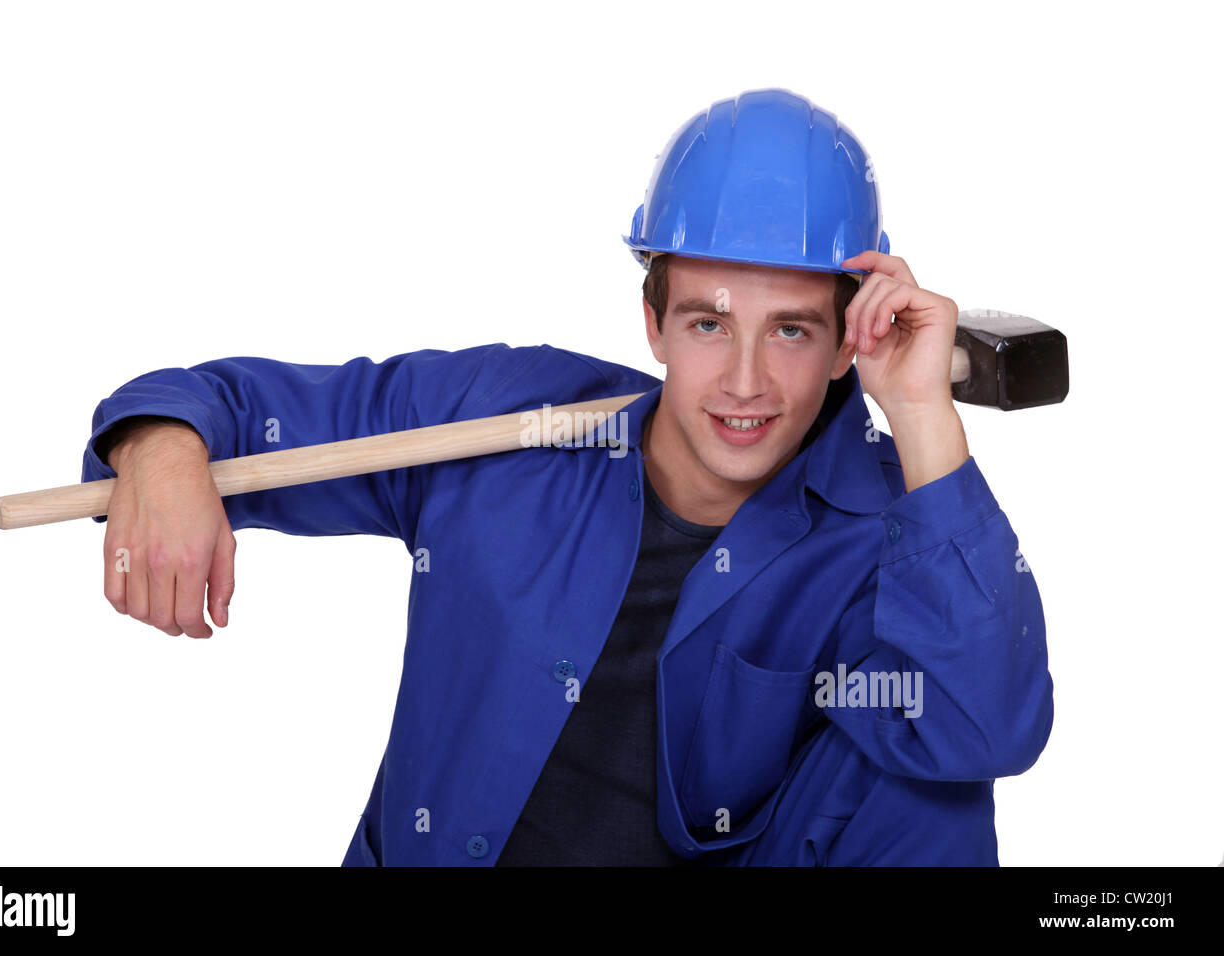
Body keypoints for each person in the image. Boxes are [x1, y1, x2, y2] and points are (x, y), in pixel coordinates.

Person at [83, 88, 1053, 866]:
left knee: (927, 783)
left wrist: (921, 413)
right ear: (653, 321)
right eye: (709, 322)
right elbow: (245, 407)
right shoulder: (508, 421)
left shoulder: (886, 530)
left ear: (845, 341)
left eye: (790, 328)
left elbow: (979, 730)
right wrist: (166, 448)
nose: (747, 381)